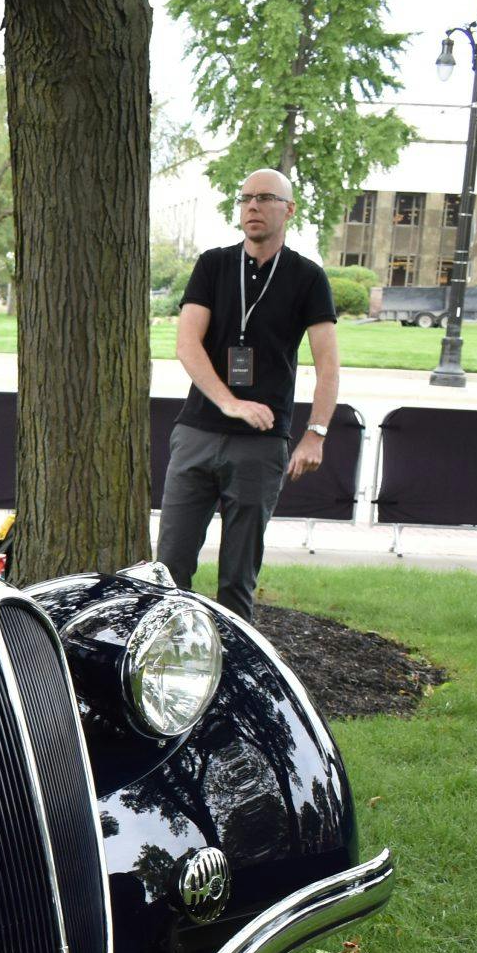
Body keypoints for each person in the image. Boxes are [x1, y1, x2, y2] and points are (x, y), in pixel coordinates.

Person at [158, 168, 340, 622]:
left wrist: (316, 433)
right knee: (169, 570)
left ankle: (231, 661)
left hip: (261, 446)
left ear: (288, 209)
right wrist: (230, 402)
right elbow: (187, 344)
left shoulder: (307, 277)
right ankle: (168, 657)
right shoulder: (213, 265)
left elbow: (328, 364)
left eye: (264, 198)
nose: (253, 206)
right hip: (197, 433)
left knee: (237, 581)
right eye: (245, 199)